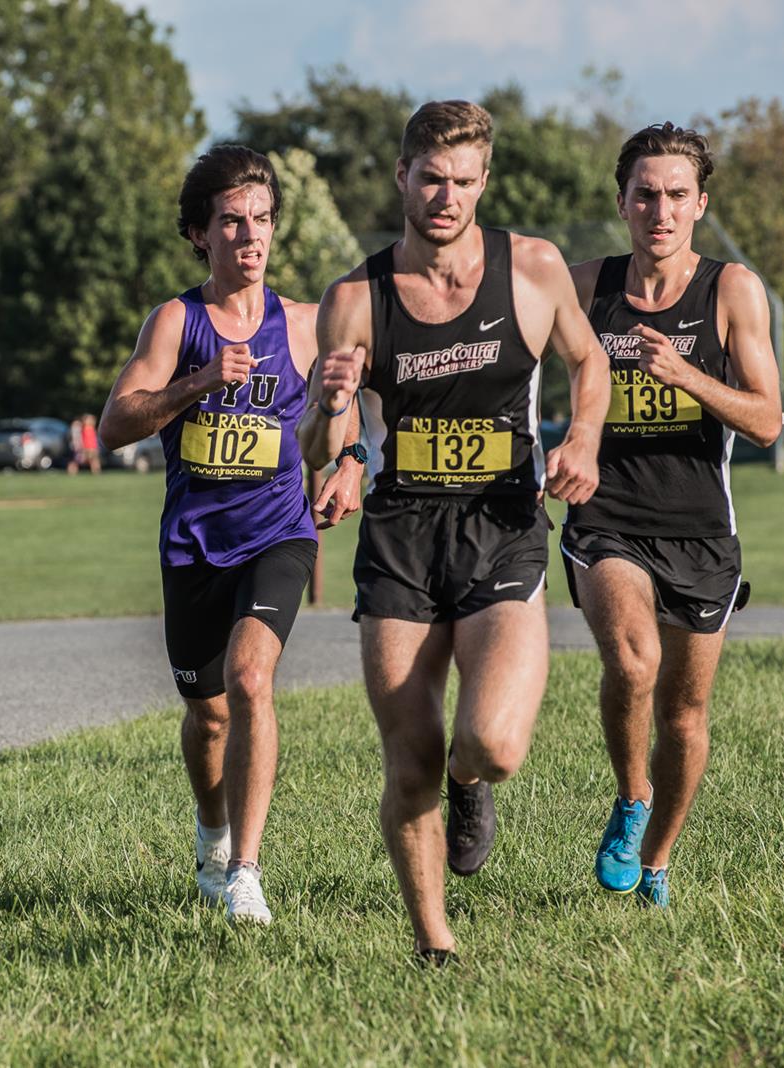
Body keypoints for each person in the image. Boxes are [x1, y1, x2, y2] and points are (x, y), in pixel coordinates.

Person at [299, 100, 608, 961]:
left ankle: (470, 783)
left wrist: (584, 436)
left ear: (484, 182)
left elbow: (589, 359)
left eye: (464, 181)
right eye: (431, 178)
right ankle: (434, 943)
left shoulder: (532, 268)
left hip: (503, 524)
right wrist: (332, 409)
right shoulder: (355, 298)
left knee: (491, 744)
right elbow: (323, 444)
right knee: (409, 760)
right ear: (403, 176)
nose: (446, 197)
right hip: (400, 536)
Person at [99, 144, 364, 926]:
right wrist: (199, 381)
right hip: (193, 544)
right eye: (231, 222)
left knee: (251, 680)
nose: (250, 236)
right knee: (208, 714)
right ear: (199, 233)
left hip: (279, 532)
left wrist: (348, 458)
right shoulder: (176, 322)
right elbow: (115, 424)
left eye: (262, 219)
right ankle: (212, 835)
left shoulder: (306, 325)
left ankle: (246, 871)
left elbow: (341, 419)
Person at [559, 123, 782, 910]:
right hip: (606, 516)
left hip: (701, 531)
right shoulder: (584, 287)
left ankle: (655, 859)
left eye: (676, 196)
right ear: (622, 202)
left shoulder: (732, 290)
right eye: (646, 195)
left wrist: (687, 375)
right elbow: (495, 337)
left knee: (684, 718)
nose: (661, 211)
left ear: (700, 205)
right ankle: (631, 797)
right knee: (633, 663)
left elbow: (767, 420)